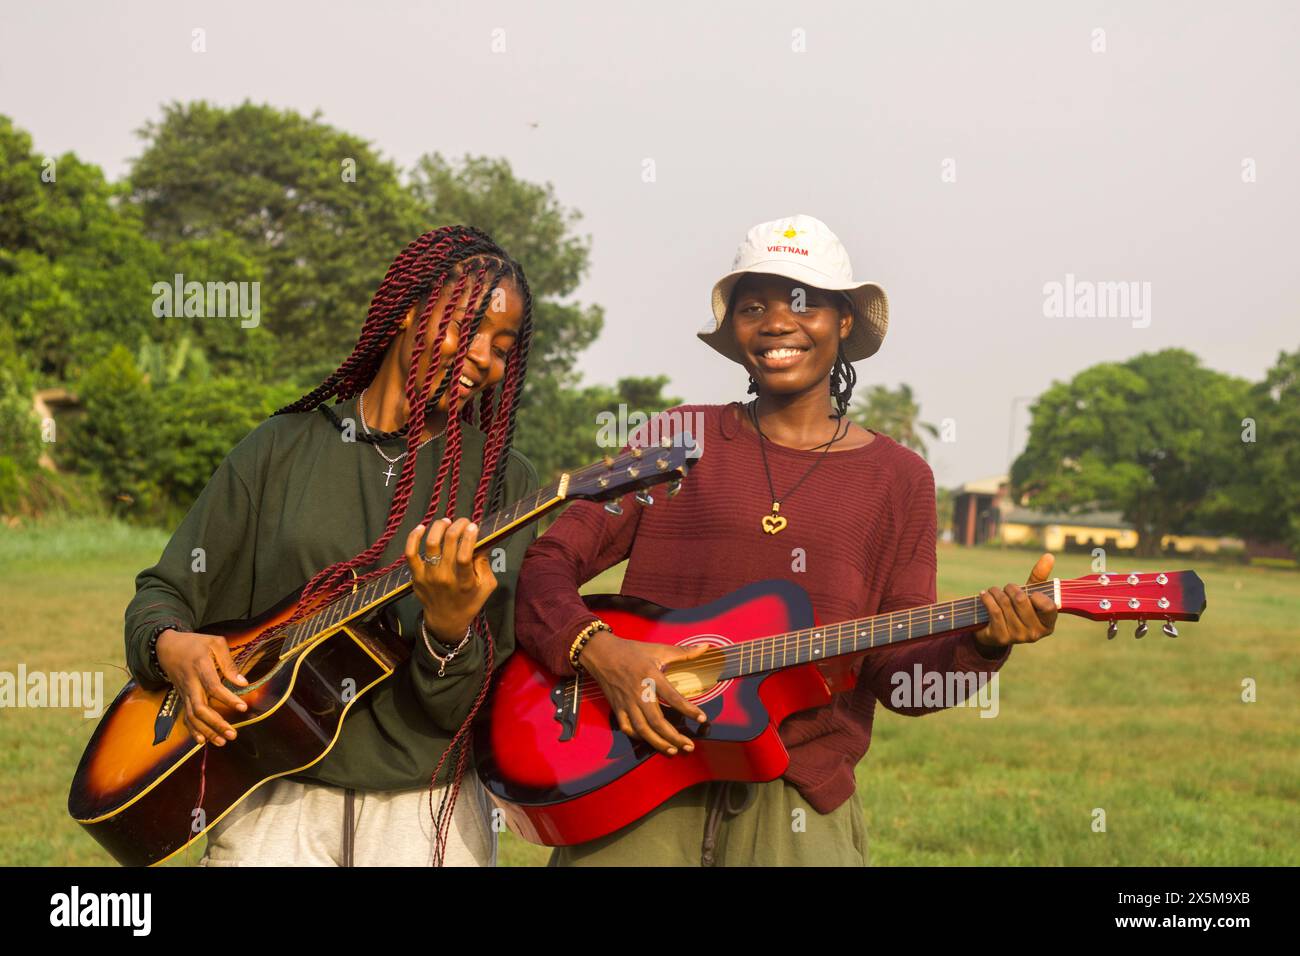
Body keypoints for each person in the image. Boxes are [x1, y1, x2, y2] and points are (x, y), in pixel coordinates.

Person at [514, 213, 1058, 866]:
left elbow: (897, 678)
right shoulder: (676, 440)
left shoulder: (900, 479)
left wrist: (986, 641)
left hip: (796, 794)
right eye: (753, 306)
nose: (776, 322)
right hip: (636, 765)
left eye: (803, 303)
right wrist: (600, 653)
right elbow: (548, 561)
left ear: (844, 322)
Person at [123, 225, 537, 866]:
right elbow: (165, 591)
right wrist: (171, 647)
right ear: (407, 311)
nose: (484, 358)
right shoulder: (281, 448)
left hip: (423, 811)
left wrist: (449, 630)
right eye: (467, 327)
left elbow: (463, 703)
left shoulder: (504, 483)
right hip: (267, 795)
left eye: (502, 347)